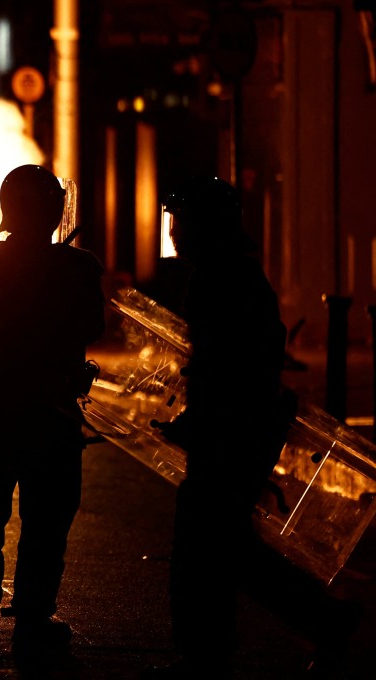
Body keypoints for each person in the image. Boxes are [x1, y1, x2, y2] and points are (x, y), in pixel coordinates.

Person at [144, 176, 362, 679]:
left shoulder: (220, 280)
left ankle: (211, 654)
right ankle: (309, 624)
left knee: (207, 543)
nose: (174, 233)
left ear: (204, 226)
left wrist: (201, 423)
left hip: (233, 431)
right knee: (225, 545)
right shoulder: (230, 273)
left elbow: (227, 368)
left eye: (181, 222)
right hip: (240, 427)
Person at [0, 164, 106, 667]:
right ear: (54, 212)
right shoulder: (76, 269)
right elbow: (92, 326)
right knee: (46, 520)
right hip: (50, 414)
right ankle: (32, 618)